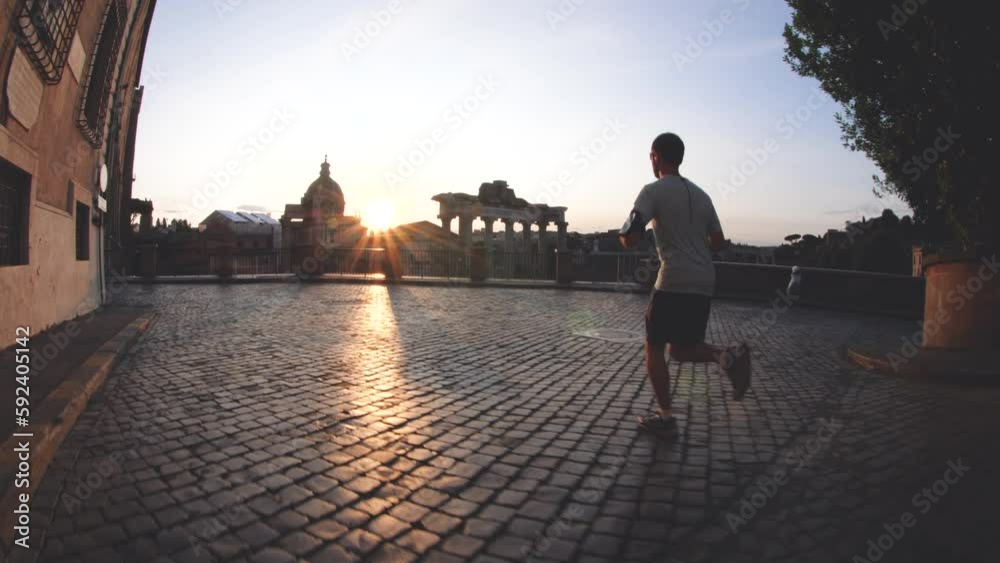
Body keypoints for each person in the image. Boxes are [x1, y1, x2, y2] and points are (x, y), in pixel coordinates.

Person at [619, 132, 751, 438]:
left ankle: (665, 416)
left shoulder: (651, 191)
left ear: (655, 156)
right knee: (681, 349)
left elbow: (634, 234)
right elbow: (717, 242)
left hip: (673, 278)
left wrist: (624, 237)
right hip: (704, 279)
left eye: (650, 157)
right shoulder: (702, 195)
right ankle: (729, 357)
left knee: (653, 346)